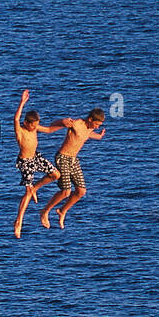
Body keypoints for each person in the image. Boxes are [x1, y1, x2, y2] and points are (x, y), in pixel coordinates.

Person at [39, 108, 107, 230]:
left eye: (99, 125)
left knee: (81, 191)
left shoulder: (90, 127)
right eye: (96, 124)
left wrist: (99, 136)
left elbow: (88, 134)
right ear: (90, 119)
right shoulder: (76, 123)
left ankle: (62, 210)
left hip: (73, 160)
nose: (97, 127)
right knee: (66, 191)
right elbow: (54, 125)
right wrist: (62, 120)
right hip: (63, 157)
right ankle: (45, 211)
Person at [12, 89, 63, 238]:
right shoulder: (20, 131)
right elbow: (15, 120)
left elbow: (48, 129)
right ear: (26, 123)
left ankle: (35, 188)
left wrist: (64, 124)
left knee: (56, 174)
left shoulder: (34, 128)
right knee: (27, 192)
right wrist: (22, 103)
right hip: (25, 163)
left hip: (35, 158)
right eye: (33, 126)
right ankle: (18, 221)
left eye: (36, 126)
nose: (35, 128)